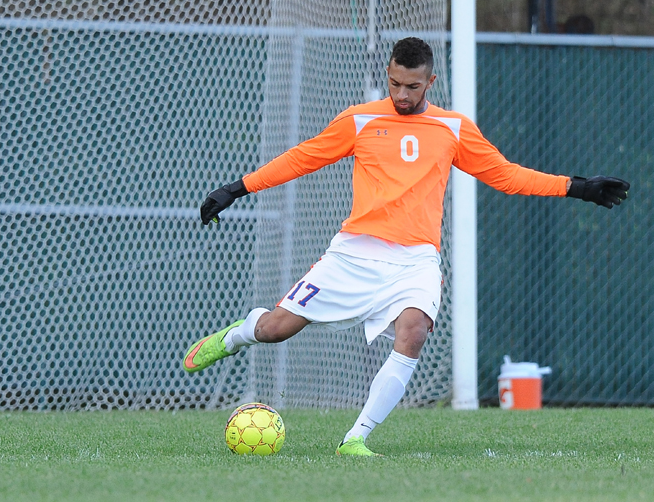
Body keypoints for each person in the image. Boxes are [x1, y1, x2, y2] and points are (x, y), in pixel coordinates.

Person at [183, 37, 629, 456]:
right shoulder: (359, 119)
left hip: (415, 260)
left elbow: (506, 175)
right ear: (388, 74)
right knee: (276, 329)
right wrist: (236, 189)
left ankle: (355, 439)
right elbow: (303, 158)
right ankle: (238, 334)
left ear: (430, 82)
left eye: (412, 86)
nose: (401, 94)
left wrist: (576, 187)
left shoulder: (453, 127)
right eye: (395, 83)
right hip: (353, 253)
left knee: (413, 332)